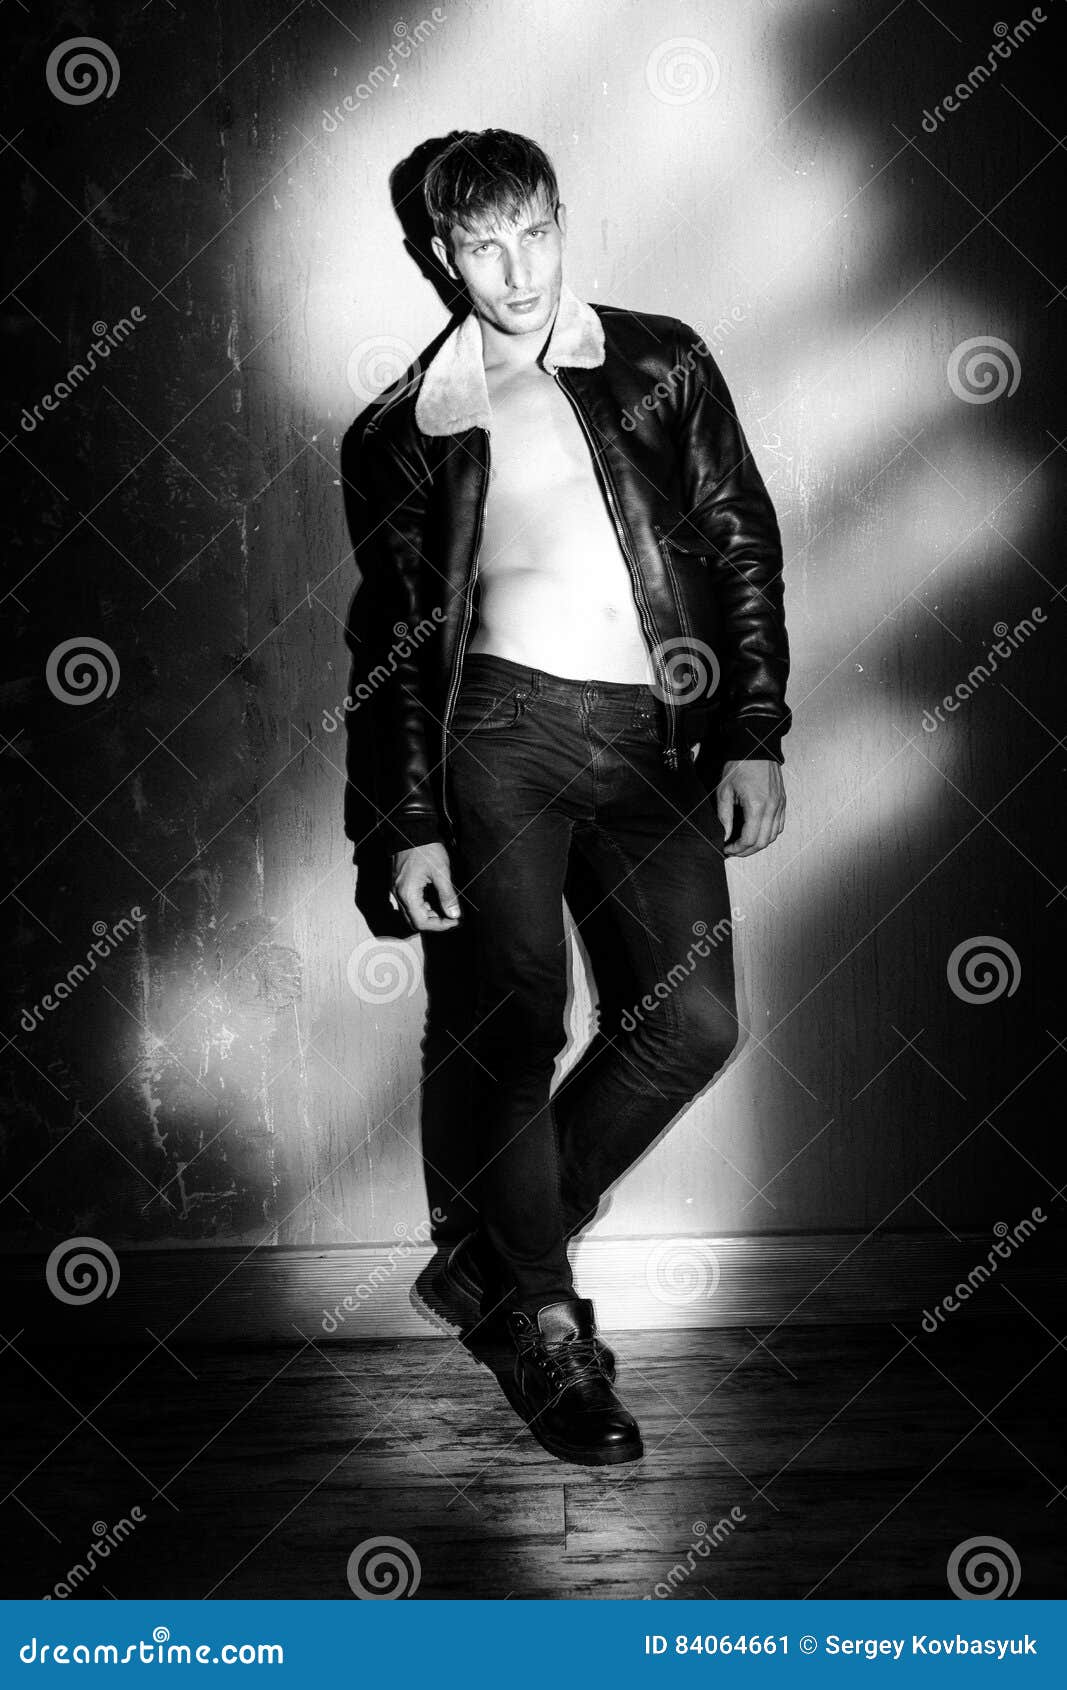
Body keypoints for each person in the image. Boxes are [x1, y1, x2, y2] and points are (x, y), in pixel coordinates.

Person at [353, 129, 791, 1467]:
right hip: (499, 729)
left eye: (533, 230)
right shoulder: (401, 431)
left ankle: (493, 1250)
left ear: (560, 218)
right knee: (513, 1015)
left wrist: (754, 726)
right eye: (481, 244)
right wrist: (406, 816)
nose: (515, 266)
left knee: (694, 1020)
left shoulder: (658, 359)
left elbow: (738, 537)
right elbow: (393, 640)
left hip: (651, 735)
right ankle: (546, 1326)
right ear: (441, 256)